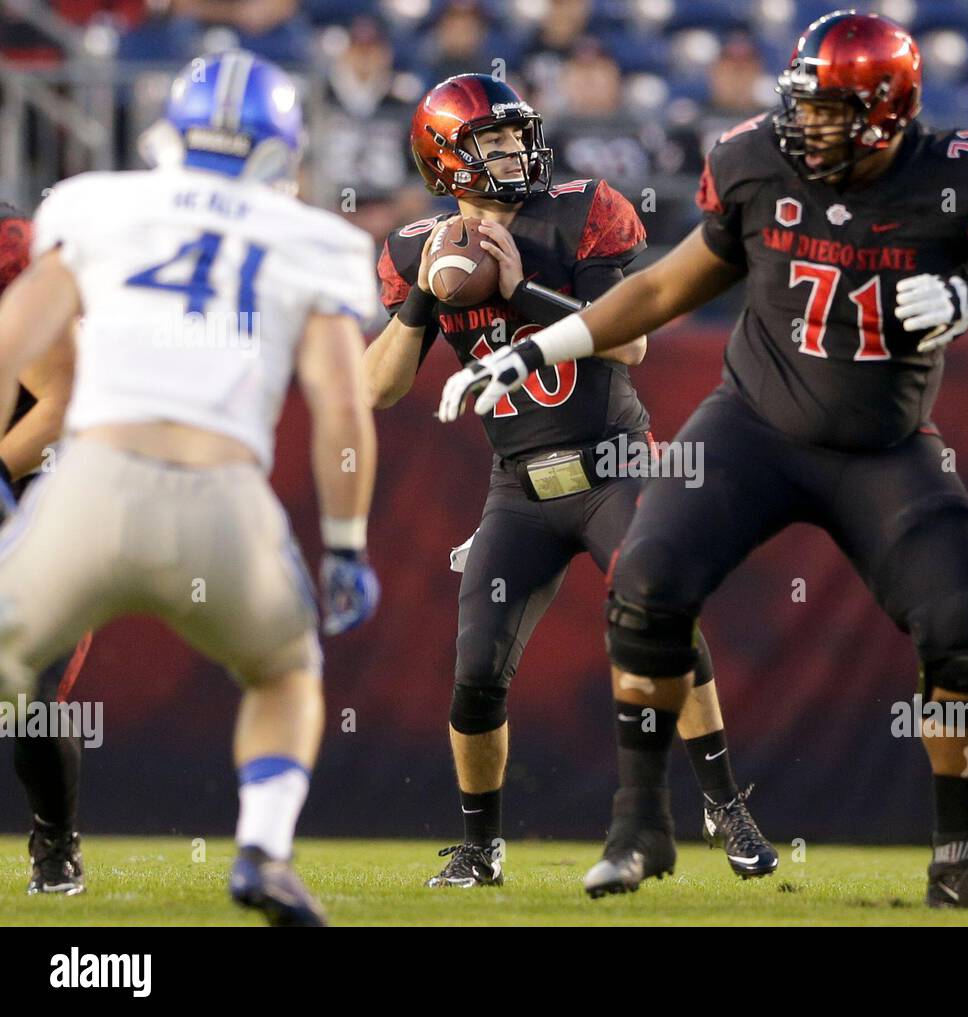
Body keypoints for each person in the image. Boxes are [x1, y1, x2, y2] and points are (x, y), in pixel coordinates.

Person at [439, 11, 968, 904]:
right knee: (648, 581)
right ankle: (641, 827)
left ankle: (961, 860)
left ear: (888, 111)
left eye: (830, 112)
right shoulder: (756, 158)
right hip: (752, 424)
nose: (807, 127)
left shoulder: (959, 174)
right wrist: (540, 346)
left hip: (883, 442)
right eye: (804, 107)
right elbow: (669, 284)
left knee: (966, 628)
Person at [363, 74, 777, 888]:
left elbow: (632, 346)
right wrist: (422, 292)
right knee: (475, 672)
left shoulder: (584, 210)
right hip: (516, 485)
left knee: (660, 622)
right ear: (447, 159)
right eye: (493, 140)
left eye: (519, 134)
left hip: (611, 462)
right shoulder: (417, 247)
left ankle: (726, 805)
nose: (517, 150)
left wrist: (518, 290)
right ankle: (480, 850)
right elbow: (374, 388)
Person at [0, 51, 381, 926]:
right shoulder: (315, 239)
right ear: (281, 148)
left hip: (89, 484)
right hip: (222, 499)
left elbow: (15, 333)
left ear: (170, 130)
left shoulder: (93, 202)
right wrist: (348, 545)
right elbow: (341, 404)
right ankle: (262, 852)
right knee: (286, 672)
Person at [0, 203, 90, 896]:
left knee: (28, 695)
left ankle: (54, 842)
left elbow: (62, 401)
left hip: (51, 482)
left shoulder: (14, 255)